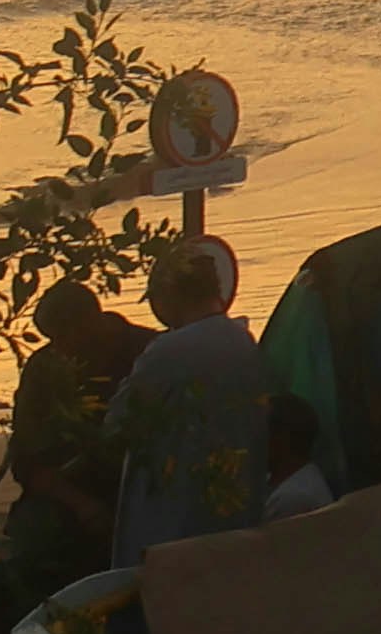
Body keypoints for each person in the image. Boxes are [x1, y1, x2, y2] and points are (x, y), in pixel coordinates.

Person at [105, 235, 277, 564]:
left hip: (173, 508)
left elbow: (118, 422)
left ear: (173, 295)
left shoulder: (168, 350)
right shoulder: (245, 343)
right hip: (233, 496)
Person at [3, 272, 136, 583]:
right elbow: (26, 456)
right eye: (54, 340)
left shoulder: (146, 352)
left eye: (65, 336)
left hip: (134, 486)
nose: (61, 349)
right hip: (65, 492)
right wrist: (81, 504)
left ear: (92, 322)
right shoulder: (45, 366)